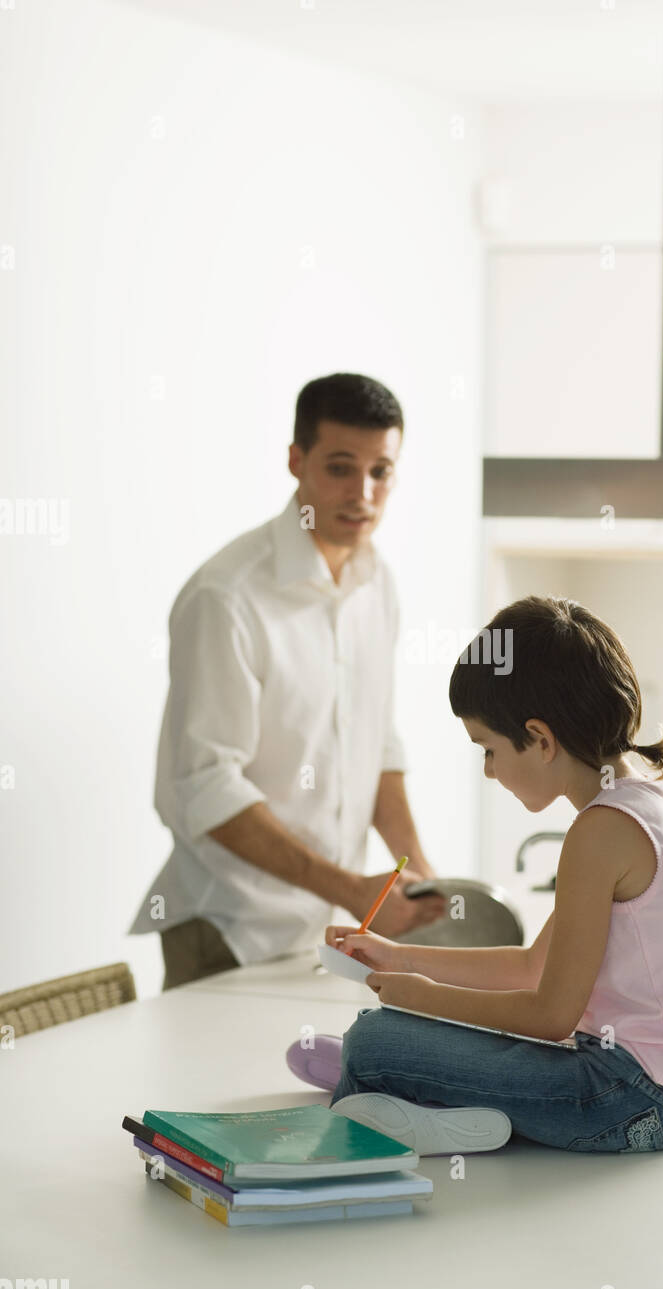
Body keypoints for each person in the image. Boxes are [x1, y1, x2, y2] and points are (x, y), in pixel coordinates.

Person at [288, 595, 663, 1158]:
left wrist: (423, 1000)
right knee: (385, 1032)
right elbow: (533, 967)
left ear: (541, 738)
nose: (488, 770)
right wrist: (399, 957)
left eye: (488, 749)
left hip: (626, 1098)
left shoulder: (598, 833)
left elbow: (551, 1017)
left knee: (373, 1037)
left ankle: (396, 1082)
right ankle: (398, 1069)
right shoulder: (648, 807)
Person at [128, 373, 446, 990]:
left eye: (381, 471)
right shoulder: (226, 597)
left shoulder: (376, 583)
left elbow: (377, 742)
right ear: (296, 461)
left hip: (327, 934)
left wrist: (422, 873)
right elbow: (207, 784)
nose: (364, 493)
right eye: (340, 467)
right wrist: (350, 887)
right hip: (228, 932)